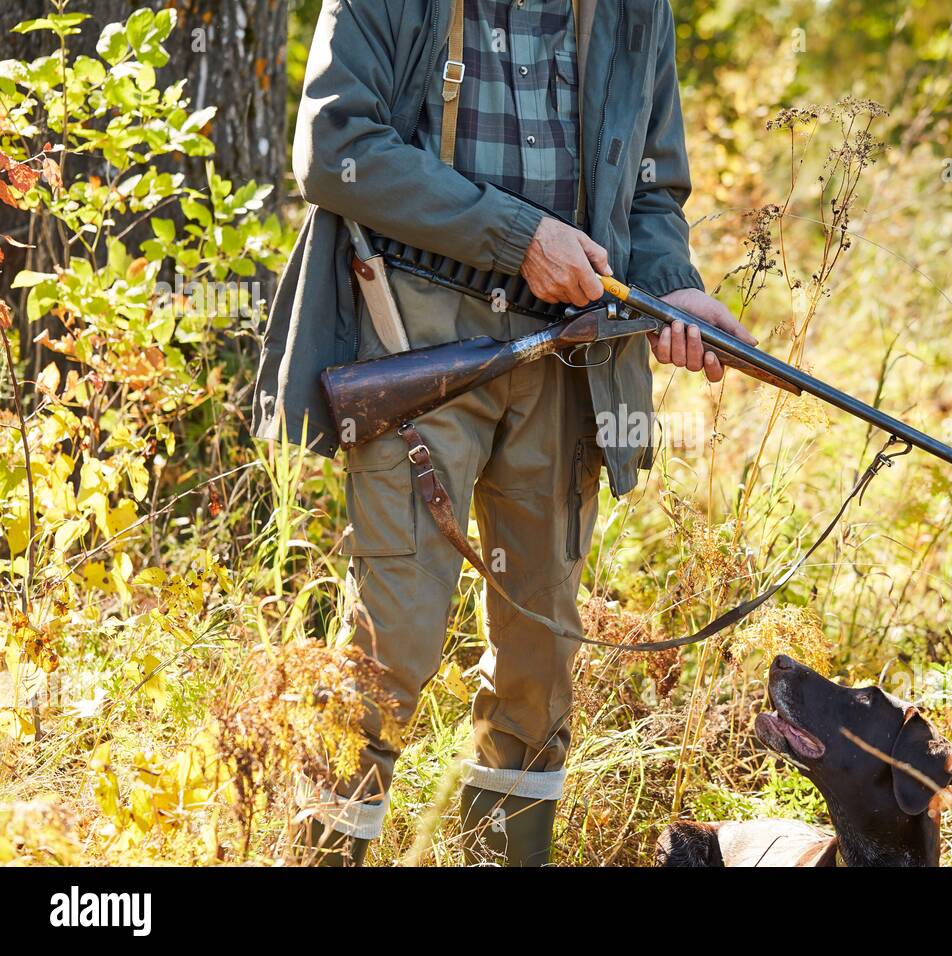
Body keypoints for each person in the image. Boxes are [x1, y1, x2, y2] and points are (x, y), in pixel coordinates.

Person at [252, 0, 753, 866]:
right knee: (389, 652)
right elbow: (335, 149)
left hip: (569, 356)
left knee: (541, 660)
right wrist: (520, 239)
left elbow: (650, 190)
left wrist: (671, 286)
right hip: (416, 337)